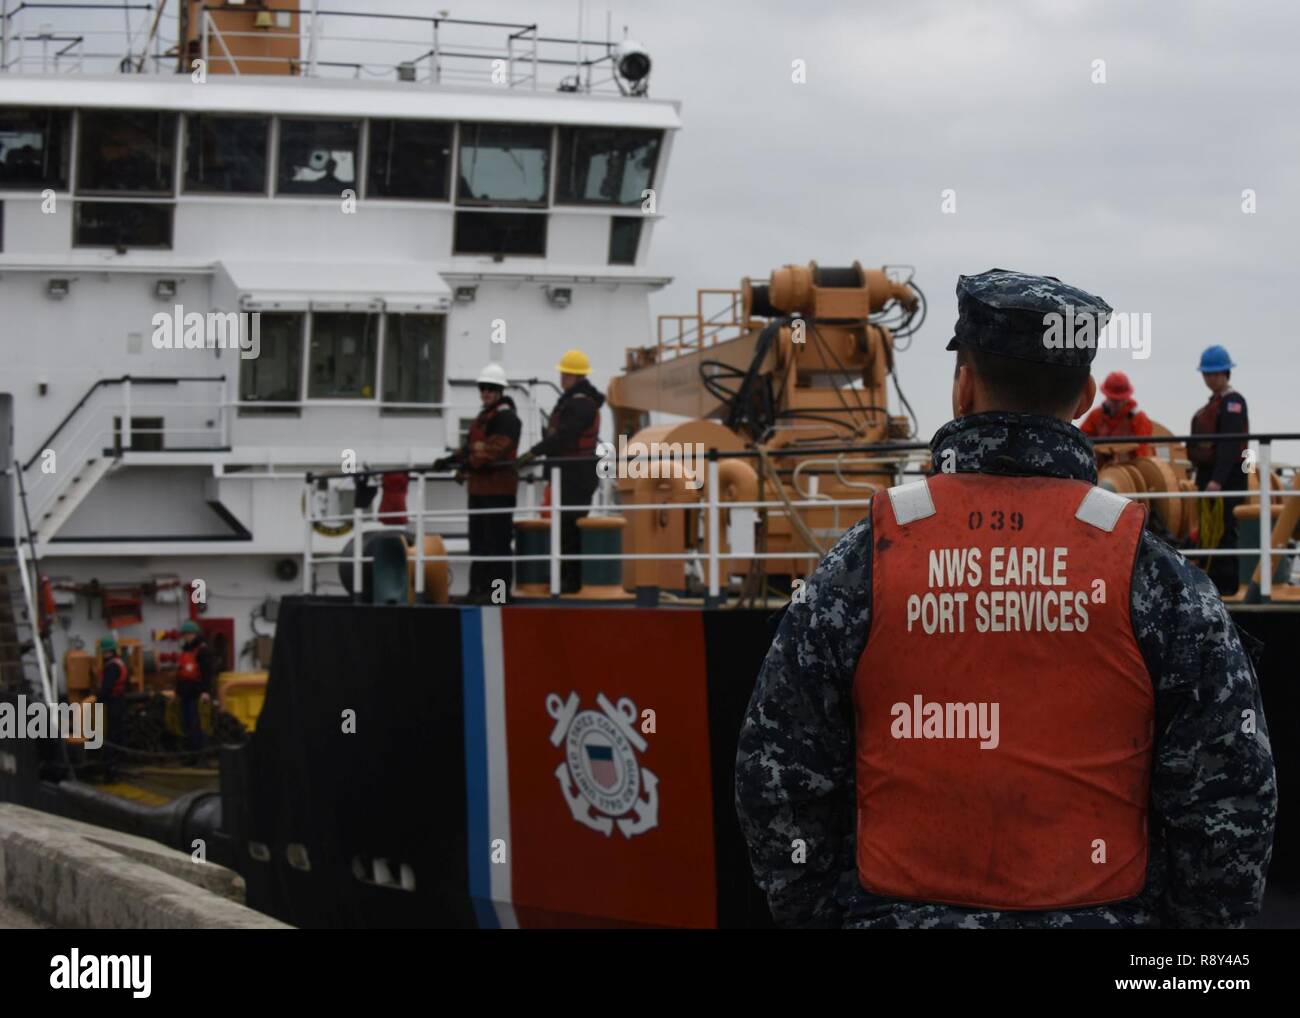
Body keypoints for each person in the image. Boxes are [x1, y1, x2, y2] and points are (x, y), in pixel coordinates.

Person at [736, 269, 1276, 929]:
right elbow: (1231, 797)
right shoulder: (1154, 573)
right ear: (1083, 396)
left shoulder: (862, 561)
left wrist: (825, 916)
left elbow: (778, 769)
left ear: (962, 386)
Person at [517, 349, 605, 594]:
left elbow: (564, 436)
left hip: (576, 475)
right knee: (564, 527)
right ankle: (564, 577)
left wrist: (533, 452)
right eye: (563, 374)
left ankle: (571, 580)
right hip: (570, 473)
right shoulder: (576, 402)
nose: (562, 378)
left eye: (566, 374)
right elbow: (559, 436)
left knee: (569, 528)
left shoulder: (581, 405)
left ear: (576, 377)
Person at [436, 364, 521, 602]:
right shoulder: (484, 418)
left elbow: (494, 450)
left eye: (491, 388)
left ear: (500, 391)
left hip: (498, 491)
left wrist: (468, 460)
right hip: (480, 489)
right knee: (479, 544)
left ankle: (498, 595)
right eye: (483, 388)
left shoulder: (508, 419)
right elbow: (473, 449)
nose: (485, 393)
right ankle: (478, 590)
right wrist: (451, 460)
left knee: (497, 545)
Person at [1190, 345, 1250, 596]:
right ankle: (1212, 583)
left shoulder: (1233, 403)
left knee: (1224, 530)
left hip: (1227, 479)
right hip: (1210, 477)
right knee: (1209, 533)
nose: (1210, 379)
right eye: (1207, 374)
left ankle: (1226, 587)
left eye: (1215, 374)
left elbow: (1229, 444)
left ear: (1226, 373)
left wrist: (1217, 480)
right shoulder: (1215, 403)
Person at [1078, 370, 1153, 457]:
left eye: (1120, 400)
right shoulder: (1096, 416)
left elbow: (1143, 454)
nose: (1117, 404)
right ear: (1106, 395)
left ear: (1127, 397)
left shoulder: (1139, 419)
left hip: (1130, 466)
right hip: (1101, 467)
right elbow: (1081, 441)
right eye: (1113, 400)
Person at [176, 619, 215, 758]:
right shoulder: (186, 650)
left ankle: (200, 754)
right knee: (187, 724)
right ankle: (190, 754)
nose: (186, 637)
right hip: (186, 693)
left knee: (197, 724)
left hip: (197, 693)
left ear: (195, 634)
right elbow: (181, 672)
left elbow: (207, 672)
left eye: (189, 634)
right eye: (185, 634)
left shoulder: (202, 651)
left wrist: (205, 691)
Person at [97, 634, 128, 781]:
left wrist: (97, 700)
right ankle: (118, 765)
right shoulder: (119, 663)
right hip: (120, 701)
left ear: (107, 652)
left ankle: (110, 767)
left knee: (112, 734)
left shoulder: (111, 667)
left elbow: (106, 688)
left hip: (113, 702)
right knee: (118, 733)